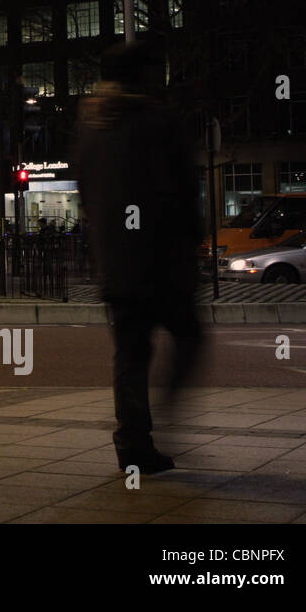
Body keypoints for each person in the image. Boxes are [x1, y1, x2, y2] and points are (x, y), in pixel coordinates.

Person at [75, 41, 204, 474]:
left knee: (129, 355)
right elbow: (184, 191)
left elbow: (85, 194)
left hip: (117, 264)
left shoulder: (90, 124)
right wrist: (190, 242)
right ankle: (165, 413)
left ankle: (133, 441)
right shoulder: (159, 119)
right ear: (145, 73)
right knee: (188, 336)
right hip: (161, 259)